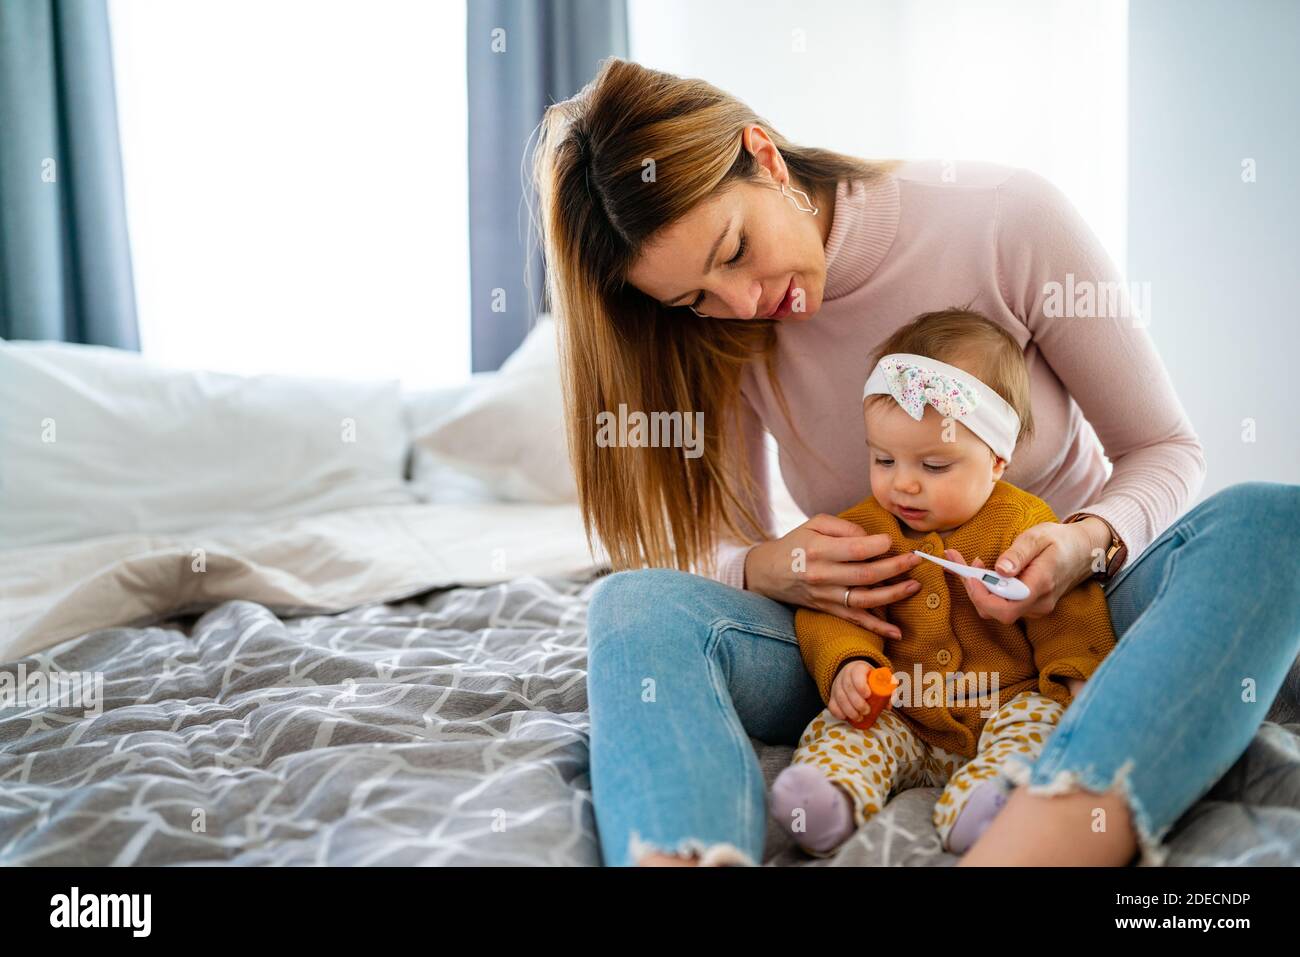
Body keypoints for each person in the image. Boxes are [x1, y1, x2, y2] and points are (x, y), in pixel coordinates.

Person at [528, 57, 1300, 866]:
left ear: (764, 154)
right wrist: (765, 565)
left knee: (1269, 523)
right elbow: (713, 545)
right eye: (696, 299)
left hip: (1072, 626)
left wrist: (1083, 541)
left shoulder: (1006, 217)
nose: (743, 305)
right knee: (632, 606)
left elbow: (1164, 449)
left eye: (734, 251)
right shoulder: (726, 329)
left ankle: (1036, 848)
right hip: (865, 655)